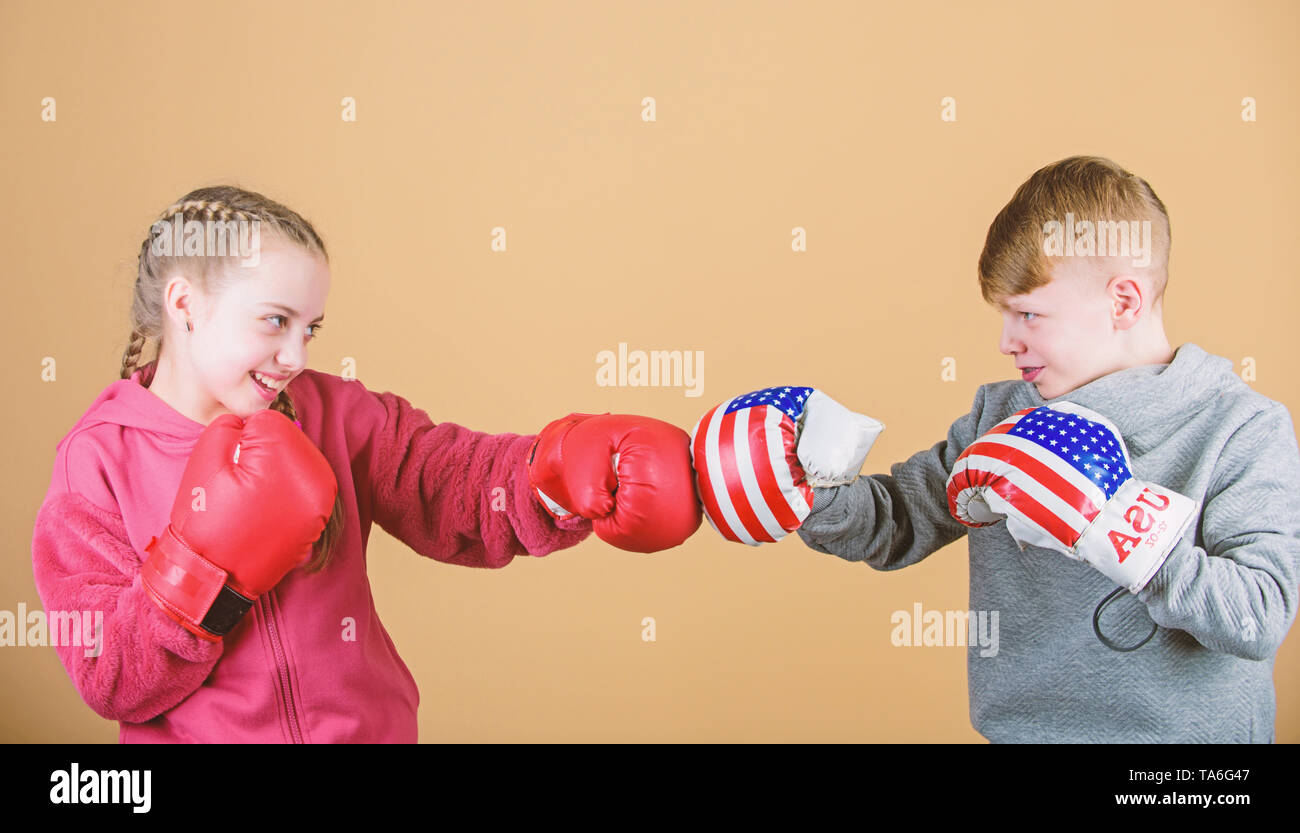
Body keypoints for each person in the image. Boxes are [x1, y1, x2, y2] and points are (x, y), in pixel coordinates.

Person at [31, 186, 700, 742]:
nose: (295, 353)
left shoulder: (336, 414)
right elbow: (107, 672)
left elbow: (450, 482)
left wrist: (550, 473)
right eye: (274, 320)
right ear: (185, 306)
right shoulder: (97, 462)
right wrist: (197, 573)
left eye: (310, 327)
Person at [691, 156, 1300, 742]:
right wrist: (807, 483)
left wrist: (1121, 529)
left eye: (1028, 314)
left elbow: (1260, 613)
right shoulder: (1002, 415)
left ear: (1123, 302)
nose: (1007, 341)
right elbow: (897, 521)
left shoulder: (1241, 428)